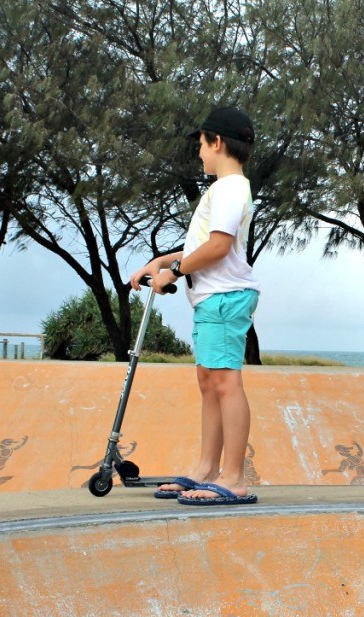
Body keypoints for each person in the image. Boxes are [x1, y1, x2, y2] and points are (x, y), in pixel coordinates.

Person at [130, 106, 260, 505]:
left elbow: (219, 247)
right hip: (213, 298)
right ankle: (206, 468)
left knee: (225, 383)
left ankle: (235, 477)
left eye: (201, 144)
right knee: (210, 385)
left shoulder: (230, 188)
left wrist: (175, 271)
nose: (199, 153)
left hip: (223, 298)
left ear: (217, 142)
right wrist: (163, 263)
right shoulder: (225, 189)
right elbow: (206, 245)